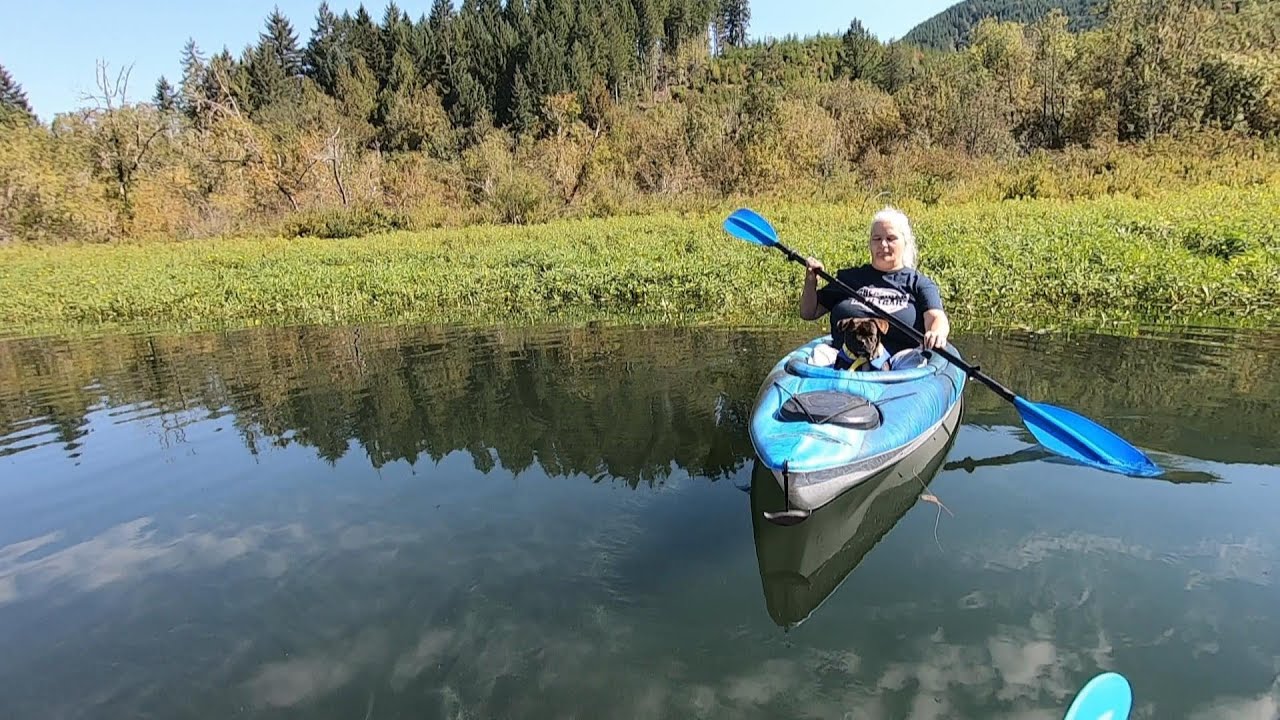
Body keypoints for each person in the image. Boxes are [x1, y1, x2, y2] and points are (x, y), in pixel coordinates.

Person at [799, 206, 951, 365]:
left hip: (899, 361)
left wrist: (936, 333)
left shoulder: (919, 283)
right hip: (842, 357)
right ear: (870, 243)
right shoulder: (849, 278)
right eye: (877, 239)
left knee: (915, 359)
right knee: (819, 354)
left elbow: (936, 317)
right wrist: (811, 281)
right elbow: (809, 312)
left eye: (891, 238)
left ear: (905, 242)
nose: (883, 245)